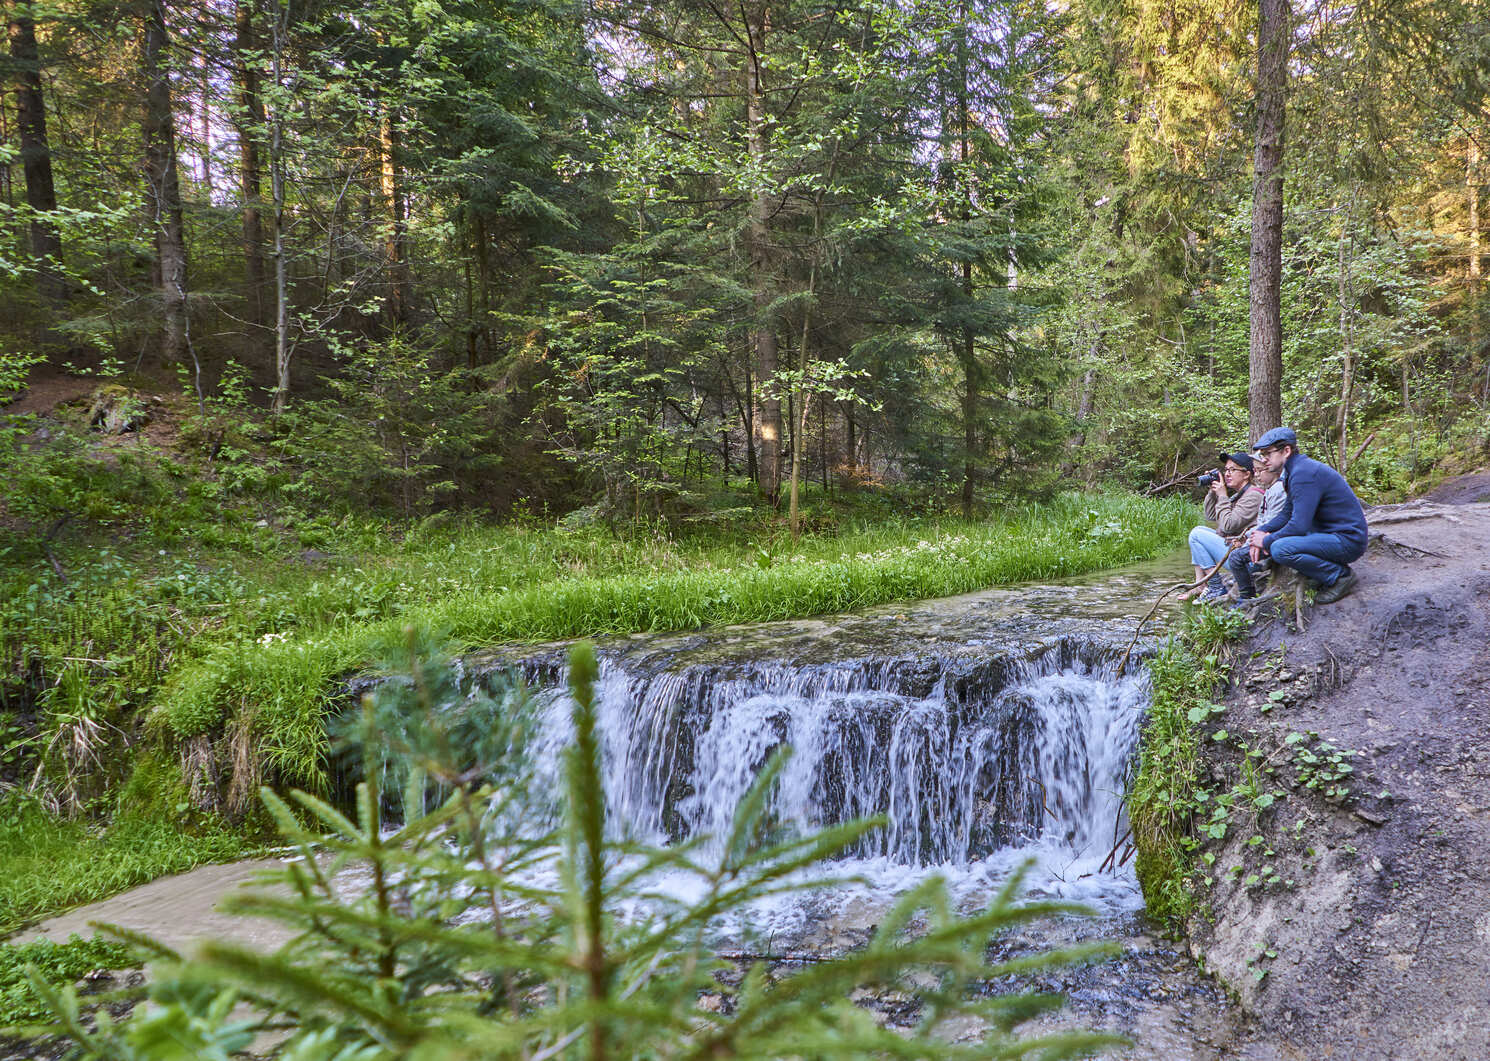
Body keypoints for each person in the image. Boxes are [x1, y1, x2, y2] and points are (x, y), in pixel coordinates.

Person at [1245, 427, 1368, 604]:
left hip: (1348, 541)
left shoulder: (1303, 474)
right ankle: (1319, 573)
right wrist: (1260, 531)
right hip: (1330, 536)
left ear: (1286, 451)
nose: (1263, 460)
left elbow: (1298, 525)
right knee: (1278, 543)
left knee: (1280, 549)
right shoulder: (1295, 471)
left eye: (1267, 454)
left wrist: (1265, 541)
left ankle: (1340, 576)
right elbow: (1287, 513)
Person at [1183, 452, 1263, 602]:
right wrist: (1213, 493)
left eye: (1232, 470)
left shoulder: (1254, 496)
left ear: (1246, 474)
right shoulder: (1239, 495)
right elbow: (1211, 516)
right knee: (1201, 532)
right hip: (1236, 552)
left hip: (1246, 560)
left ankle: (1215, 586)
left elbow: (1227, 526)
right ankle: (1200, 584)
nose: (1227, 474)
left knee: (1196, 535)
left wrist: (1222, 495)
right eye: (1226, 470)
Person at [1227, 456, 1286, 601]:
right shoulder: (1270, 489)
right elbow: (1262, 521)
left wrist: (1252, 539)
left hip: (1271, 540)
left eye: (1260, 471)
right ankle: (1242, 584)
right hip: (1264, 537)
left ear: (1273, 470)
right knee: (1239, 555)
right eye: (1255, 471)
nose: (1257, 475)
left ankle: (1246, 597)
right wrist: (1247, 537)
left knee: (1236, 558)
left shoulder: (1279, 490)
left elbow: (1271, 522)